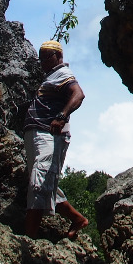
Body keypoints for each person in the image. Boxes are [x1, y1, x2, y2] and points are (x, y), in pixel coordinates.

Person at [24, 40, 90, 240]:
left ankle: (27, 241)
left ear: (59, 56)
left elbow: (78, 94)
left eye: (47, 57)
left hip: (49, 135)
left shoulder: (63, 73)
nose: (42, 61)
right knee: (45, 182)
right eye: (41, 58)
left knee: (40, 181)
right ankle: (78, 219)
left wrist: (61, 116)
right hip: (39, 134)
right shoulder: (50, 77)